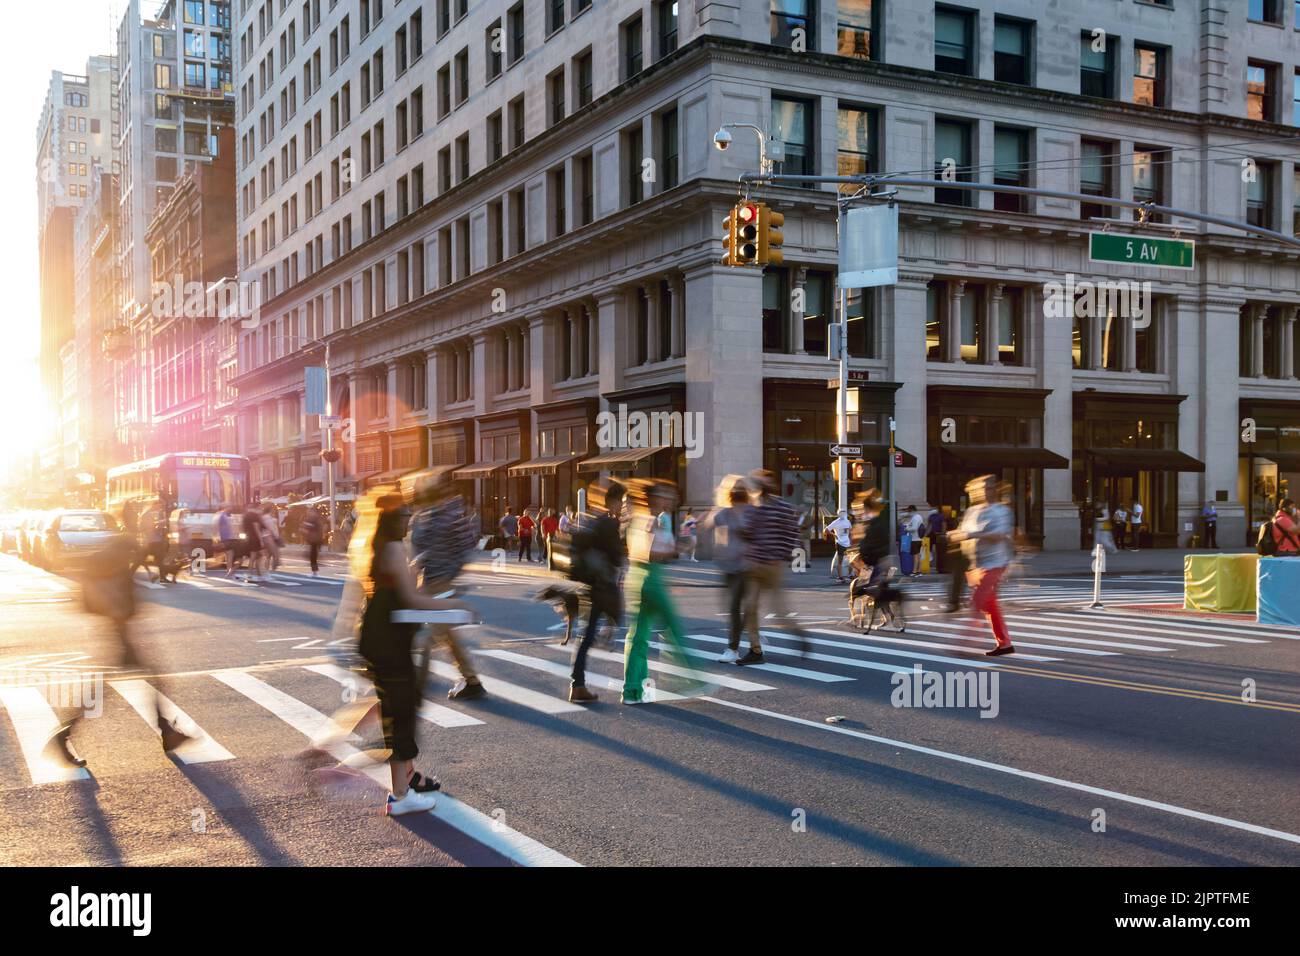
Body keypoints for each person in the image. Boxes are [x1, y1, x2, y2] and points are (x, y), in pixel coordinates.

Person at [354, 492, 469, 815]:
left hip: (381, 636)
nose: (409, 520)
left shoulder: (378, 545)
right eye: (404, 514)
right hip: (388, 641)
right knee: (400, 711)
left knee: (398, 708)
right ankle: (401, 796)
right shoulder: (392, 548)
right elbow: (411, 599)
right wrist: (452, 604)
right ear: (394, 518)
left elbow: (400, 594)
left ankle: (405, 782)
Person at [46, 535, 196, 771]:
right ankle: (64, 735)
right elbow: (126, 604)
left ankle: (166, 731)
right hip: (120, 633)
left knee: (133, 683)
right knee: (116, 688)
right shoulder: (117, 569)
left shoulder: (108, 566)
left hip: (117, 631)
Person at [621, 480, 710, 703]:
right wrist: (683, 546)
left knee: (638, 636)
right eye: (665, 495)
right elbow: (650, 553)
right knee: (673, 630)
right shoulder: (653, 520)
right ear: (652, 498)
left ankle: (632, 690)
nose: (670, 499)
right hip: (652, 578)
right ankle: (691, 681)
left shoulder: (639, 519)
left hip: (637, 578)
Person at [407, 470, 485, 701]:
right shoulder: (446, 514)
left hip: (435, 581)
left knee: (430, 629)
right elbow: (467, 546)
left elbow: (418, 551)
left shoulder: (433, 516)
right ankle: (470, 680)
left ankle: (417, 675)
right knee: (444, 632)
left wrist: (432, 569)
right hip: (439, 580)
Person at [737, 469, 809, 665]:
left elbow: (792, 532)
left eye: (764, 482)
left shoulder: (782, 507)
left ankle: (800, 636)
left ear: (771, 485)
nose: (760, 486)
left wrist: (782, 556)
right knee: (750, 608)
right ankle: (755, 650)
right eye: (758, 482)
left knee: (779, 611)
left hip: (772, 565)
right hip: (754, 565)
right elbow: (747, 533)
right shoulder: (753, 507)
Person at [567, 479, 626, 702]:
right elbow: (616, 557)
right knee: (591, 632)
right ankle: (578, 685)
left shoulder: (591, 521)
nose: (622, 506)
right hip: (601, 587)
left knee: (586, 634)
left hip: (589, 585)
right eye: (621, 501)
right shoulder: (609, 524)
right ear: (613, 501)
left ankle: (577, 684)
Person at [949, 475, 1016, 656]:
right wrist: (954, 535)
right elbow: (964, 532)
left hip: (996, 563)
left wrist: (972, 535)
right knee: (989, 605)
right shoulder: (972, 511)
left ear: (994, 490)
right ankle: (1005, 644)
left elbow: (1000, 535)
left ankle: (966, 643)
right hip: (976, 564)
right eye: (979, 489)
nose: (982, 492)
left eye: (986, 488)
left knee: (977, 602)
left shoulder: (1001, 511)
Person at [702, 479, 752, 661]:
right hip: (728, 566)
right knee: (733, 607)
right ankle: (737, 641)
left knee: (741, 607)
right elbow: (708, 526)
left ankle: (734, 644)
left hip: (748, 566)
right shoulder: (724, 513)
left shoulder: (751, 512)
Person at [825, 508, 853, 584]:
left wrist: (834, 535)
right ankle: (848, 576)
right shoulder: (847, 521)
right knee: (850, 560)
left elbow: (826, 530)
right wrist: (850, 540)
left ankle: (842, 577)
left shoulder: (837, 522)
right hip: (845, 543)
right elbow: (850, 532)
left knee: (841, 561)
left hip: (841, 543)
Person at [240, 506, 265, 582]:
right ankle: (250, 575)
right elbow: (256, 528)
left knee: (258, 557)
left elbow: (242, 528)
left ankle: (258, 574)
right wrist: (261, 540)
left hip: (249, 537)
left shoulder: (246, 516)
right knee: (254, 557)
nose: (261, 510)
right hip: (255, 539)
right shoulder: (254, 516)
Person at [902, 505, 926, 578]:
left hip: (914, 539)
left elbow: (914, 528)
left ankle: (914, 572)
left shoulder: (915, 518)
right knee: (919, 556)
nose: (908, 513)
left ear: (912, 510)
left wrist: (906, 529)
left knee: (915, 556)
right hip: (919, 539)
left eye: (909, 511)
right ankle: (919, 571)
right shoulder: (919, 516)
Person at [300, 507, 325, 576]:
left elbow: (306, 529)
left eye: (310, 511)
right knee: (312, 555)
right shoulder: (310, 519)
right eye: (309, 511)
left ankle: (314, 571)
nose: (309, 513)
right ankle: (314, 571)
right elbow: (304, 528)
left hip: (315, 540)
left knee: (313, 555)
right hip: (312, 540)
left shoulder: (315, 519)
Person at [261, 505, 283, 572]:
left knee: (268, 556)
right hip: (270, 537)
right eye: (273, 509)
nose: (274, 510)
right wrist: (276, 537)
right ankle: (273, 570)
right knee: (275, 555)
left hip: (264, 537)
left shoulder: (263, 518)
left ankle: (266, 570)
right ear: (270, 510)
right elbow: (272, 529)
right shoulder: (269, 518)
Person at [926, 505, 947, 575]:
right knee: (940, 552)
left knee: (931, 551)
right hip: (938, 535)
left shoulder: (931, 516)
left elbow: (929, 527)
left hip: (933, 535)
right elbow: (944, 525)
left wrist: (925, 535)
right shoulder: (941, 516)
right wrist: (943, 533)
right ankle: (940, 568)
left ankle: (930, 565)